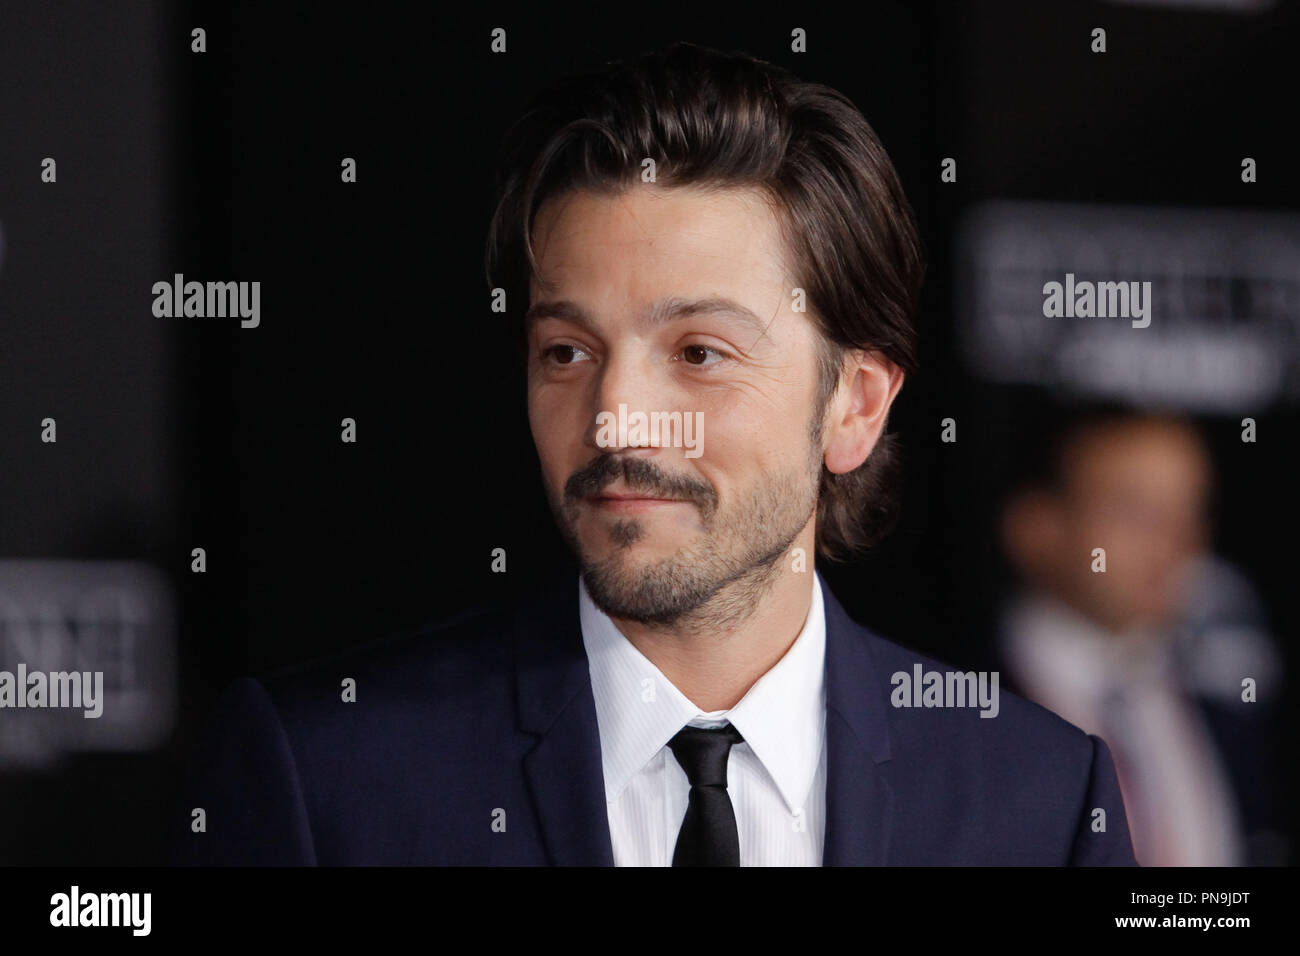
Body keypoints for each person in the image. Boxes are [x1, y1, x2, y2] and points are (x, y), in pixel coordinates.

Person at [170, 42, 1135, 866]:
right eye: (568, 352)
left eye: (700, 353)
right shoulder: (327, 776)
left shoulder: (1040, 802)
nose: (616, 419)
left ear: (856, 405)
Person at [998, 406, 1286, 866]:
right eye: (1134, 509)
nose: (1176, 540)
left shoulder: (1232, 708)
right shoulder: (958, 703)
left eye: (1191, 509)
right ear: (1036, 526)